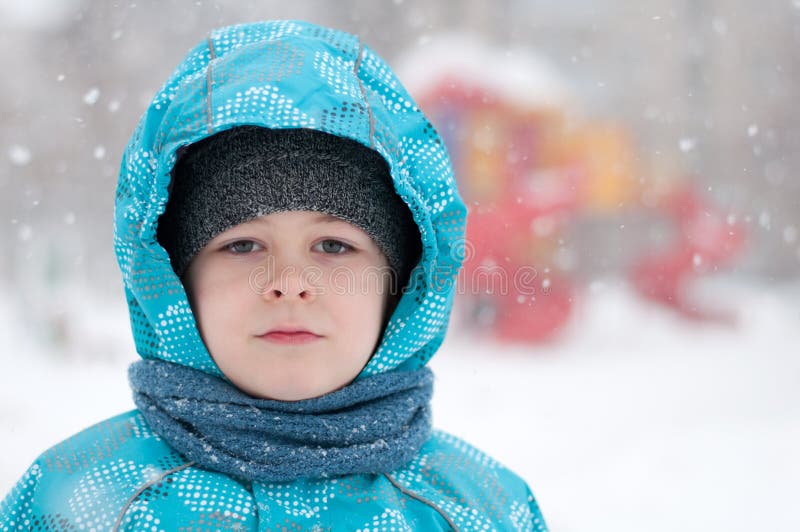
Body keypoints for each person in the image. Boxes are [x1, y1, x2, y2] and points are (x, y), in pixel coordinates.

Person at [0, 20, 548, 531]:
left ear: (399, 283)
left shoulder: (481, 510)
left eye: (333, 245)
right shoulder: (80, 503)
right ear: (175, 281)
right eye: (242, 244)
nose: (289, 281)